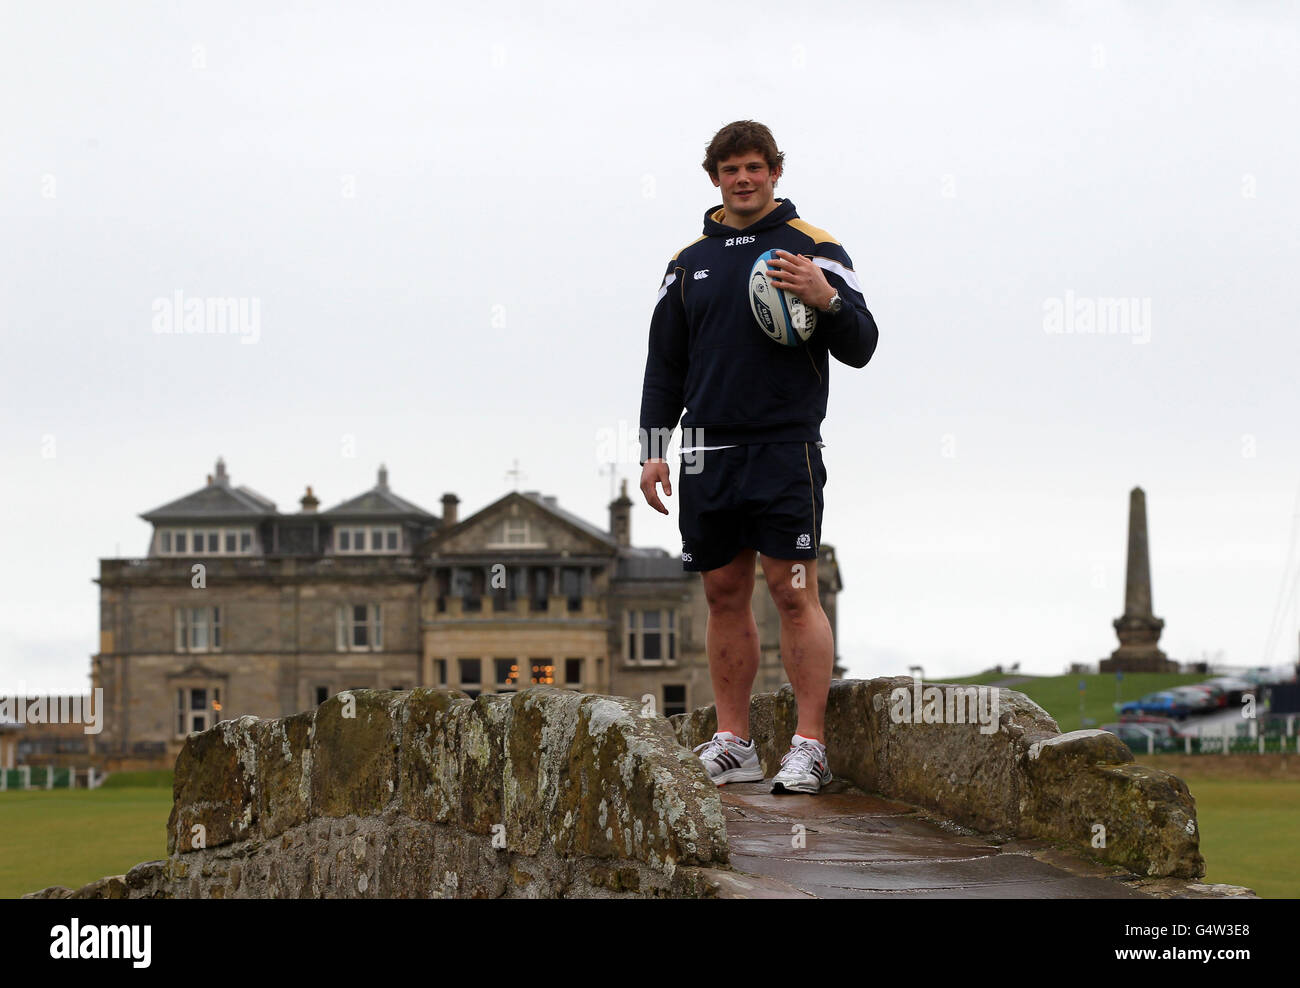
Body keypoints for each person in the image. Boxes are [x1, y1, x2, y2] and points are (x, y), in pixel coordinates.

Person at [637, 120, 879, 794]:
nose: (743, 179)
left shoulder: (814, 248)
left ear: (775, 171)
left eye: (755, 167)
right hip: (706, 453)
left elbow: (861, 344)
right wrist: (654, 450)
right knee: (722, 594)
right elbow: (665, 367)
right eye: (730, 169)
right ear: (714, 177)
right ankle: (734, 744)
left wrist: (824, 298)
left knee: (793, 591)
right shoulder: (688, 262)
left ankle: (809, 746)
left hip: (783, 447)